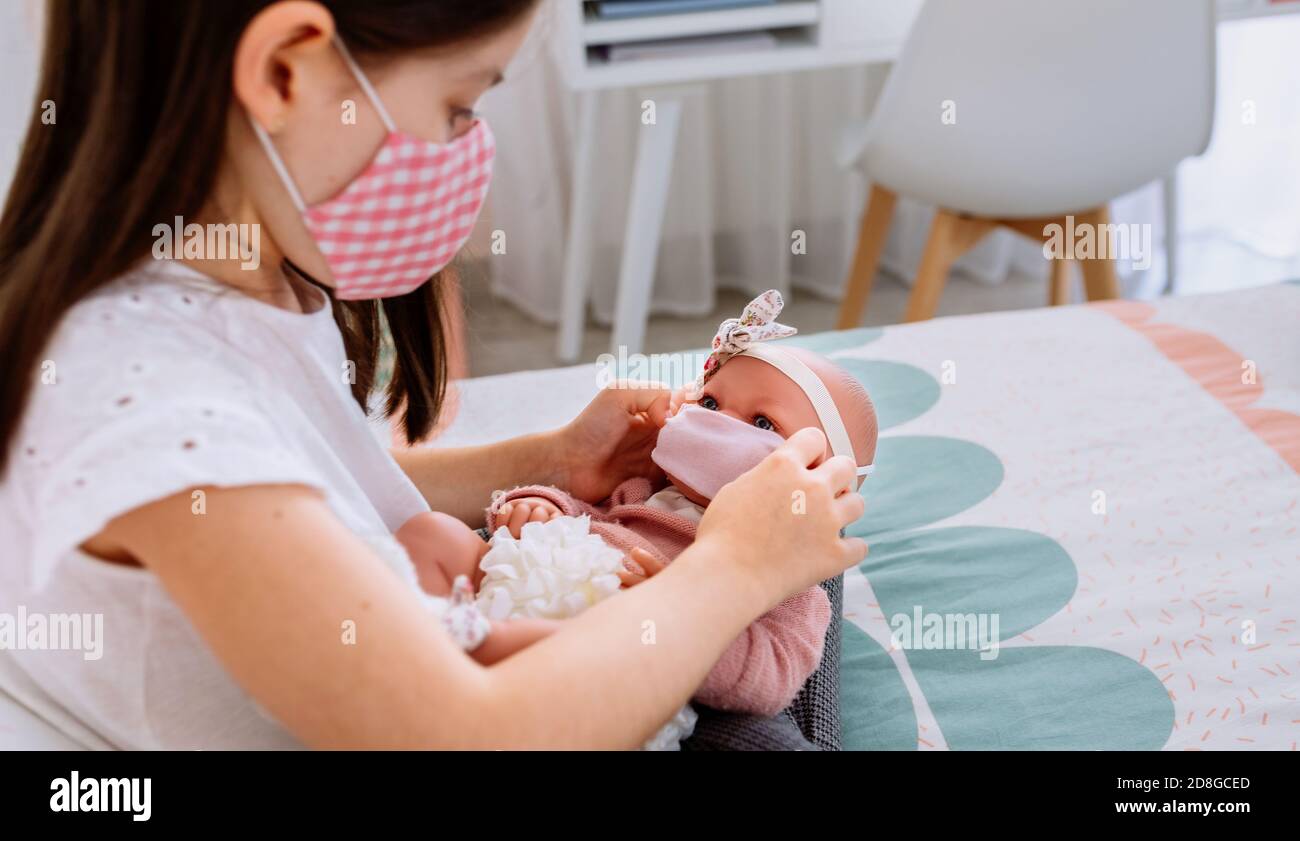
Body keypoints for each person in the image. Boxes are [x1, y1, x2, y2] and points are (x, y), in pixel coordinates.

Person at [0, 0, 866, 749]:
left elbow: (299, 490)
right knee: (781, 598)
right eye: (458, 107)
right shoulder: (143, 397)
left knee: (797, 542)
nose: (469, 151)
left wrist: (553, 463)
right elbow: (473, 733)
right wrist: (731, 571)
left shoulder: (244, 280)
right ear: (283, 70)